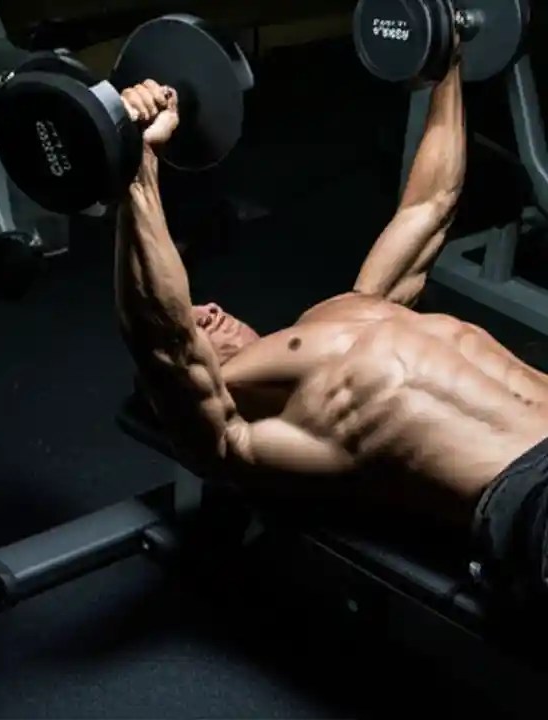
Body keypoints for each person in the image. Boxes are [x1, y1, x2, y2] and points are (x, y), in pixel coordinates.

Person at [115, 48, 547, 610]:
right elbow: (160, 333)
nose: (207, 308)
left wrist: (447, 59)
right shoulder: (249, 434)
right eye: (194, 322)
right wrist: (138, 166)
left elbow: (430, 205)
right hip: (530, 492)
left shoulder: (354, 307)